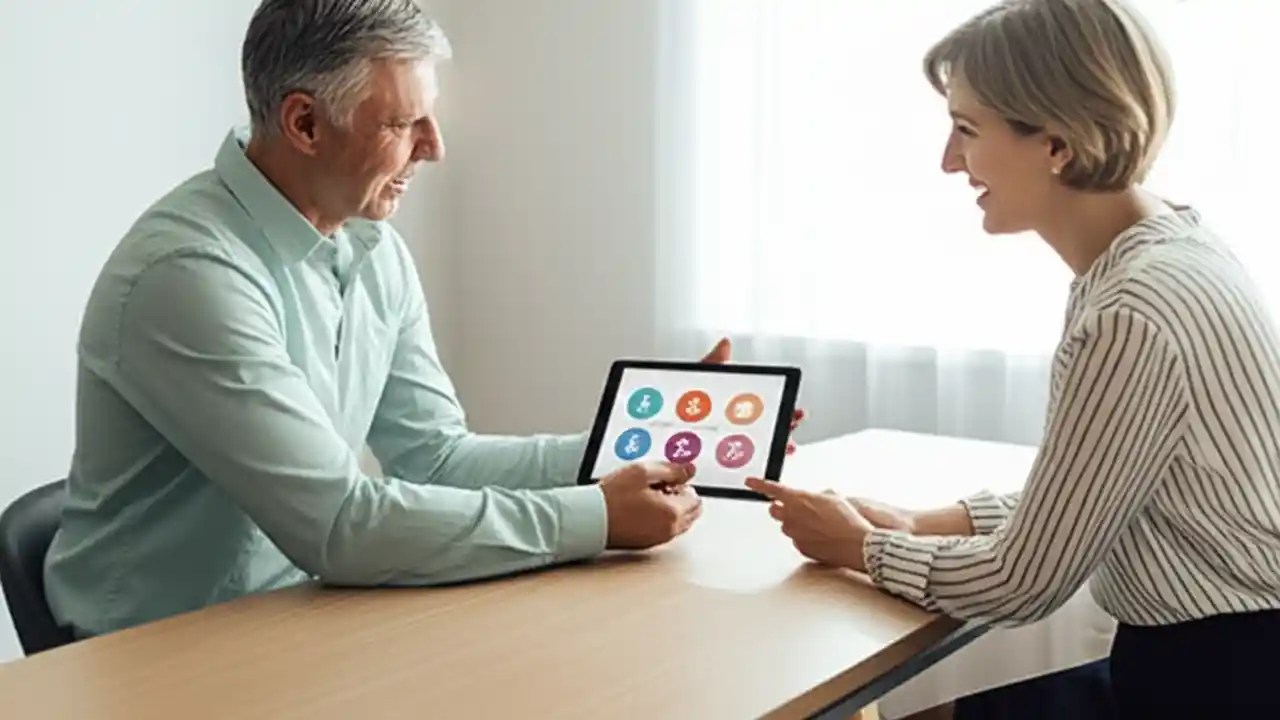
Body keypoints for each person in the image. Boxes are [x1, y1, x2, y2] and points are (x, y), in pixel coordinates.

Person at [44, 0, 795, 640]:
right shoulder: (189, 275)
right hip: (151, 655)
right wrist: (593, 518)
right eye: (406, 123)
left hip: (296, 616)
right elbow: (342, 527)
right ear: (304, 123)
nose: (434, 148)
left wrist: (647, 445)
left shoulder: (373, 250)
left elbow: (436, 460)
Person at [746, 0, 1280, 717]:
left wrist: (861, 547)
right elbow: (1095, 489)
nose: (948, 160)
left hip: (1220, 677)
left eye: (966, 128)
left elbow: (1023, 582)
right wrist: (920, 523)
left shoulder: (1132, 310)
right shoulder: (1170, 252)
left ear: (1056, 143)